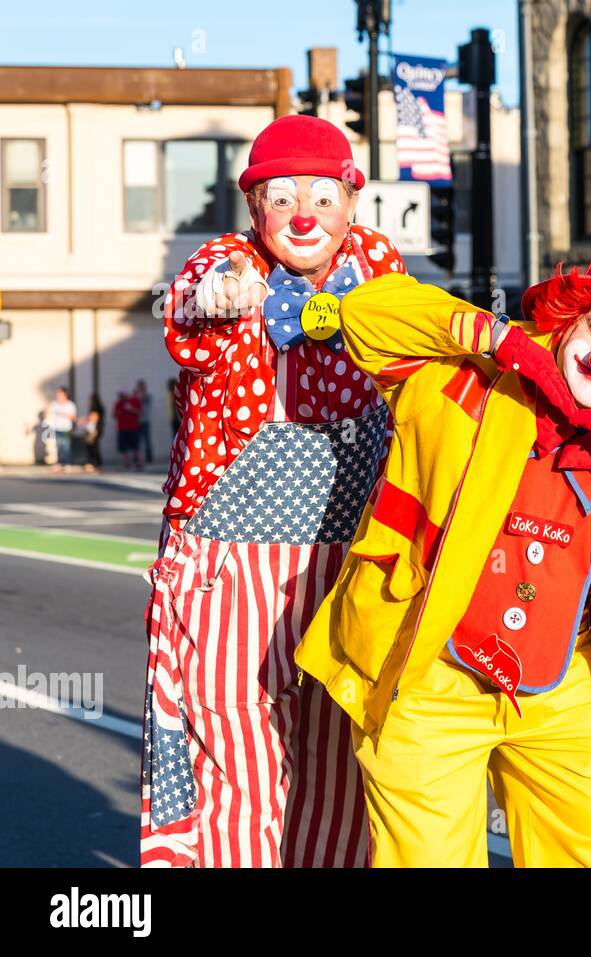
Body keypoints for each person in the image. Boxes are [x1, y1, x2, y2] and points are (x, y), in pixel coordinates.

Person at [295, 234, 591, 867]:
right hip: (428, 669)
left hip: (569, 689)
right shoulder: (464, 379)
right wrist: (499, 339)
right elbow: (365, 314)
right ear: (564, 322)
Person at [140, 114, 406, 868]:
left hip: (351, 563)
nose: (302, 214)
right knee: (236, 755)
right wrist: (222, 295)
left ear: (352, 203)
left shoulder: (379, 267)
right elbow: (188, 299)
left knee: (341, 762)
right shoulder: (230, 261)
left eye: (323, 197)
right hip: (229, 570)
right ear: (253, 206)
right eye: (280, 196)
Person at [44, 386, 76, 473]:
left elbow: (73, 417)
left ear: (65, 394)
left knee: (66, 447)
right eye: (57, 393)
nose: (57, 394)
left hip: (66, 428)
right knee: (58, 447)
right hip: (57, 428)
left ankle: (67, 464)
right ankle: (60, 464)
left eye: (59, 393)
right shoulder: (54, 404)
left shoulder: (70, 404)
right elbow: (48, 414)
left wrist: (62, 413)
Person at [113, 389, 143, 470]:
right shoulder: (118, 403)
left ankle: (139, 462)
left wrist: (131, 409)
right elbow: (114, 415)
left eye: (123, 396)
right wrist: (120, 411)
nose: (121, 397)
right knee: (124, 447)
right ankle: (127, 462)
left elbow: (140, 412)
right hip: (122, 428)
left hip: (133, 428)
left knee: (136, 446)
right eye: (120, 396)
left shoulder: (134, 401)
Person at [81, 394, 104, 472]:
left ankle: (95, 463)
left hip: (93, 430)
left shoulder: (96, 409)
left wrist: (85, 420)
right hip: (93, 430)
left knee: (93, 447)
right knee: (91, 447)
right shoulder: (96, 408)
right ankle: (93, 463)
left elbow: (94, 418)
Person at [135, 379, 153, 464]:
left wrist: (139, 394)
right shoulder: (136, 395)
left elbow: (143, 399)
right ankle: (138, 458)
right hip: (136, 422)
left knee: (147, 440)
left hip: (145, 421)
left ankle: (149, 458)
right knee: (137, 441)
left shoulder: (147, 396)